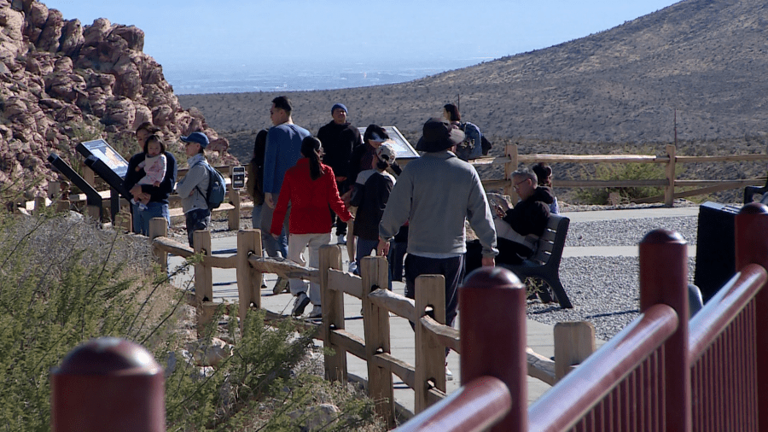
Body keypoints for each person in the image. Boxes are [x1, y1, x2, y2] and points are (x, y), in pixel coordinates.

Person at [377, 118, 497, 380]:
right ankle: (439, 358)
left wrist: (385, 236)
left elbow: (396, 207)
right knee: (448, 309)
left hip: (420, 252)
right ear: (452, 144)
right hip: (454, 252)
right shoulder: (466, 172)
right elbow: (481, 214)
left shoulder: (414, 171)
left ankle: (431, 353)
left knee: (417, 307)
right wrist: (489, 249)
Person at [271, 136, 353, 318]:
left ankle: (300, 293)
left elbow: (282, 204)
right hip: (322, 225)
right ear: (320, 152)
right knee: (317, 266)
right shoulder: (327, 171)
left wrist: (276, 228)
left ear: (301, 152)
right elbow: (335, 200)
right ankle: (319, 306)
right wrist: (346, 217)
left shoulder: (292, 172)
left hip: (299, 224)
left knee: (294, 261)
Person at [261, 96, 311, 259]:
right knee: (294, 234)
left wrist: (267, 190)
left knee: (267, 230)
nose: (271, 116)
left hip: (277, 191)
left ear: (282, 112)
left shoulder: (275, 132)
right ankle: (296, 266)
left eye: (272, 112)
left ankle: (279, 264)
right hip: (300, 193)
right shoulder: (306, 134)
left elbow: (270, 162)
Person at [317, 103, 363, 245]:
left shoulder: (353, 132)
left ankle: (341, 234)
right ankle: (327, 231)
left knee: (344, 206)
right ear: (332, 114)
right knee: (328, 204)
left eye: (343, 111)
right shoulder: (324, 131)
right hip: (327, 175)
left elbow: (358, 154)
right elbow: (319, 154)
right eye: (338, 111)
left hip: (348, 176)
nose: (341, 114)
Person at [350, 142, 397, 281]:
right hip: (384, 229)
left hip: (365, 227)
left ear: (376, 158)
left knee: (362, 263)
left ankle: (365, 294)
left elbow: (355, 200)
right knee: (384, 266)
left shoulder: (363, 176)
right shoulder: (392, 180)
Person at [124, 122, 177, 235]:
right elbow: (127, 184)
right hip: (138, 208)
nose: (143, 142)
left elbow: (167, 185)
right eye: (139, 139)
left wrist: (143, 189)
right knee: (139, 244)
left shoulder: (166, 158)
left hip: (156, 206)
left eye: (146, 138)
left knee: (158, 245)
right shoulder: (136, 160)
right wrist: (137, 194)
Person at [493, 168, 554, 266]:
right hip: (512, 247)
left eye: (517, 186)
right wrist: (505, 215)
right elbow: (518, 221)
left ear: (529, 182)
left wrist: (508, 210)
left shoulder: (539, 206)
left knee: (475, 253)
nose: (516, 191)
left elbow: (522, 228)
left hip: (519, 252)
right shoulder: (527, 203)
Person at [175, 132, 212, 247]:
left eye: (188, 144)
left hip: (197, 212)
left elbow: (182, 191)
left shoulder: (199, 167)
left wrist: (179, 186)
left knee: (198, 250)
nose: (185, 146)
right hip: (197, 210)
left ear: (197, 146)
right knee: (198, 250)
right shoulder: (198, 166)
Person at [131, 135, 167, 210]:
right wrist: (139, 166)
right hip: (148, 176)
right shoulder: (148, 156)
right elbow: (145, 163)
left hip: (154, 178)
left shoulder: (161, 158)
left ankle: (141, 202)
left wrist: (158, 180)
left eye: (156, 148)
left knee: (144, 189)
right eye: (151, 148)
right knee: (137, 186)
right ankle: (137, 200)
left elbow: (162, 170)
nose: (154, 150)